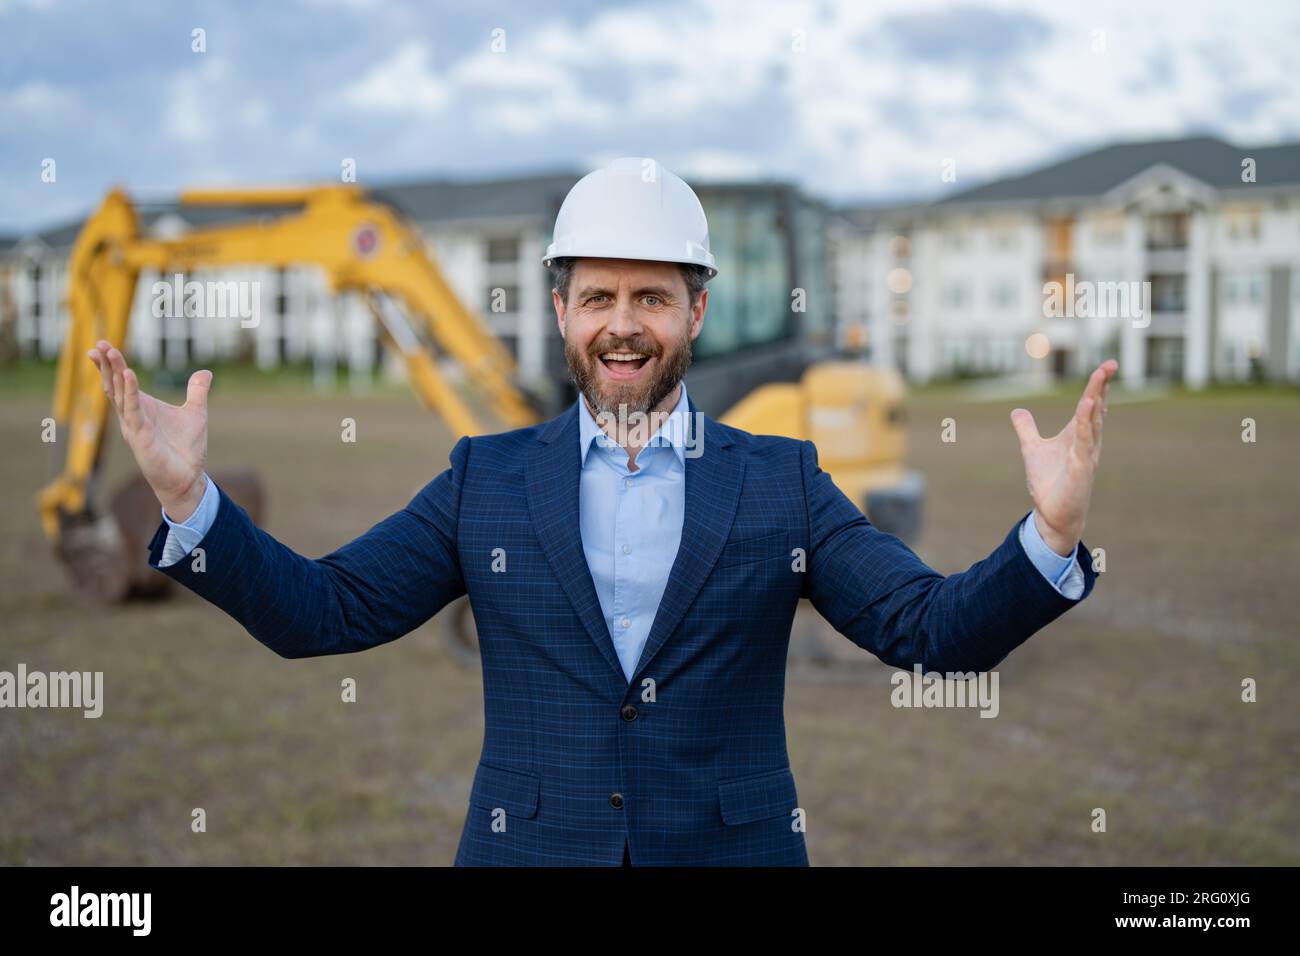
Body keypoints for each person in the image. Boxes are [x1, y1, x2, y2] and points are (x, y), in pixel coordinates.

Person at [87, 157, 1116, 866]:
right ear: (559, 312)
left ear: (695, 309)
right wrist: (190, 501)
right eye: (598, 298)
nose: (623, 326)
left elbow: (927, 630)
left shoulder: (782, 480)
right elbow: (327, 610)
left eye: (651, 297)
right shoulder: (483, 477)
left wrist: (1050, 537)